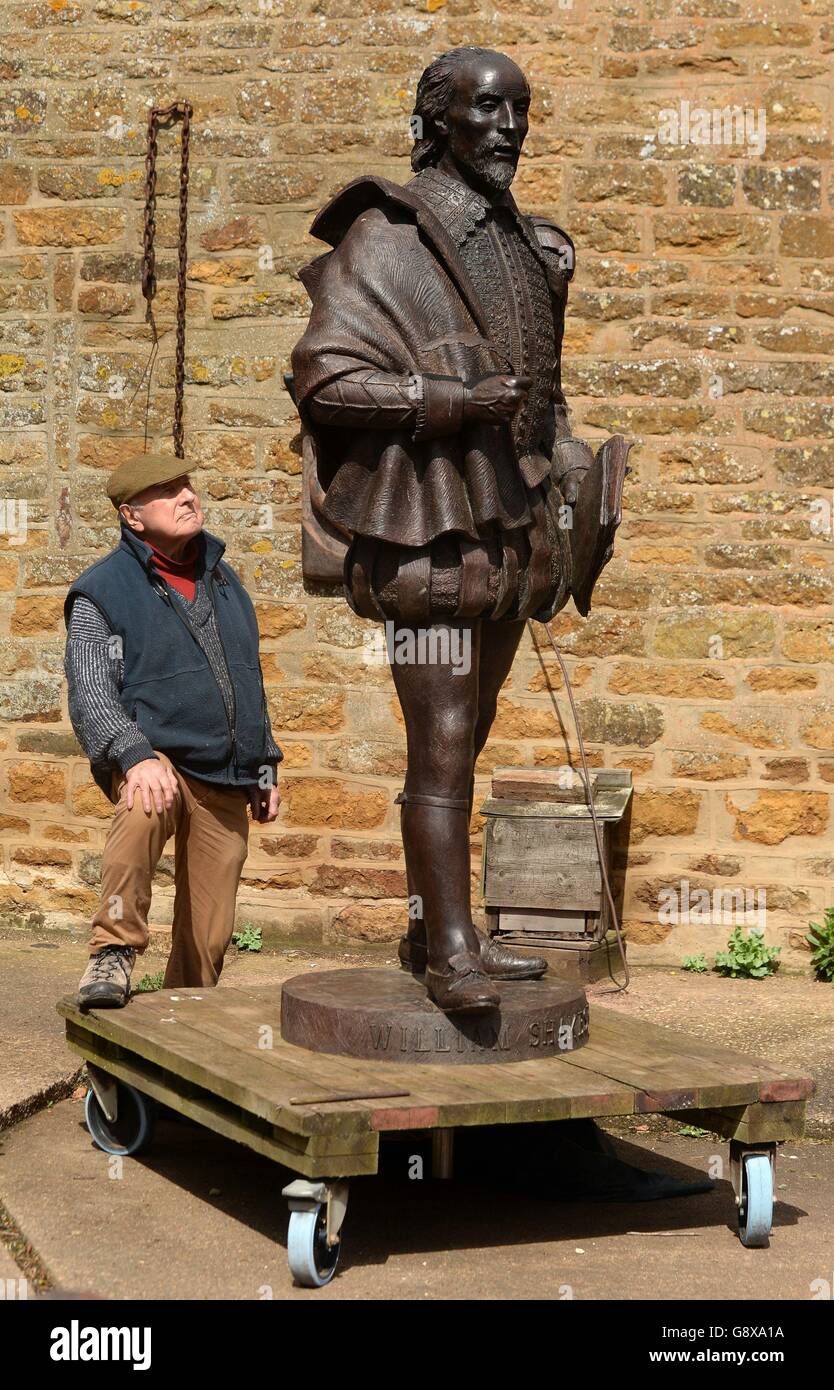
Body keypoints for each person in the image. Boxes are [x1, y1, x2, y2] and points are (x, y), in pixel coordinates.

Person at [291, 46, 625, 1014]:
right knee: (439, 740)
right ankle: (448, 953)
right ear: (439, 118)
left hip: (510, 533)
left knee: (467, 738)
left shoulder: (533, 247)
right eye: (487, 109)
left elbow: (544, 393)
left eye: (521, 110)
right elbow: (325, 378)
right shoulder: (386, 239)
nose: (509, 128)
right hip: (426, 528)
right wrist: (446, 399)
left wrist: (568, 463)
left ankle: (437, 922)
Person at [65, 453, 283, 1008]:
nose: (188, 496)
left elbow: (247, 678)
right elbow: (91, 691)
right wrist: (134, 754)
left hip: (225, 772)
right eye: (169, 492)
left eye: (187, 485)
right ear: (133, 516)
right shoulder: (102, 590)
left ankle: (184, 1018)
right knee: (142, 809)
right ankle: (112, 951)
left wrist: (263, 763)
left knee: (210, 934)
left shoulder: (223, 577)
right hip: (154, 760)